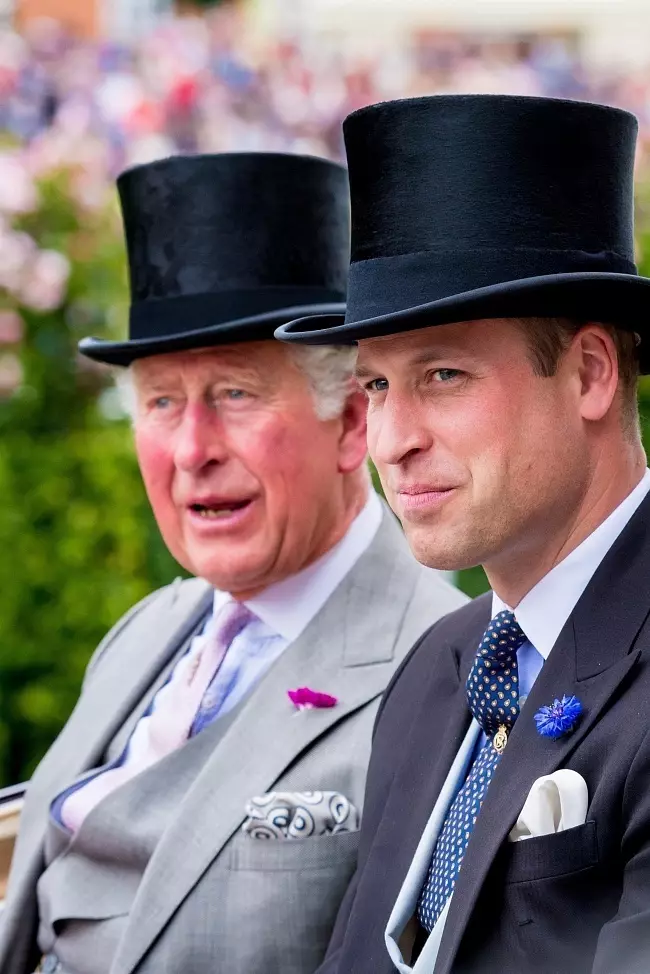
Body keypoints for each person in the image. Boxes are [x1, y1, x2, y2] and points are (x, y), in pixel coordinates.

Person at [0, 151, 465, 974]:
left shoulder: (441, 667)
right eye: (160, 403)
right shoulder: (145, 633)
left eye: (236, 395)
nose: (191, 451)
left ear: (352, 425)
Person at [277, 95, 650, 974]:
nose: (390, 439)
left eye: (442, 375)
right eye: (373, 387)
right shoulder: (438, 671)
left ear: (591, 372)